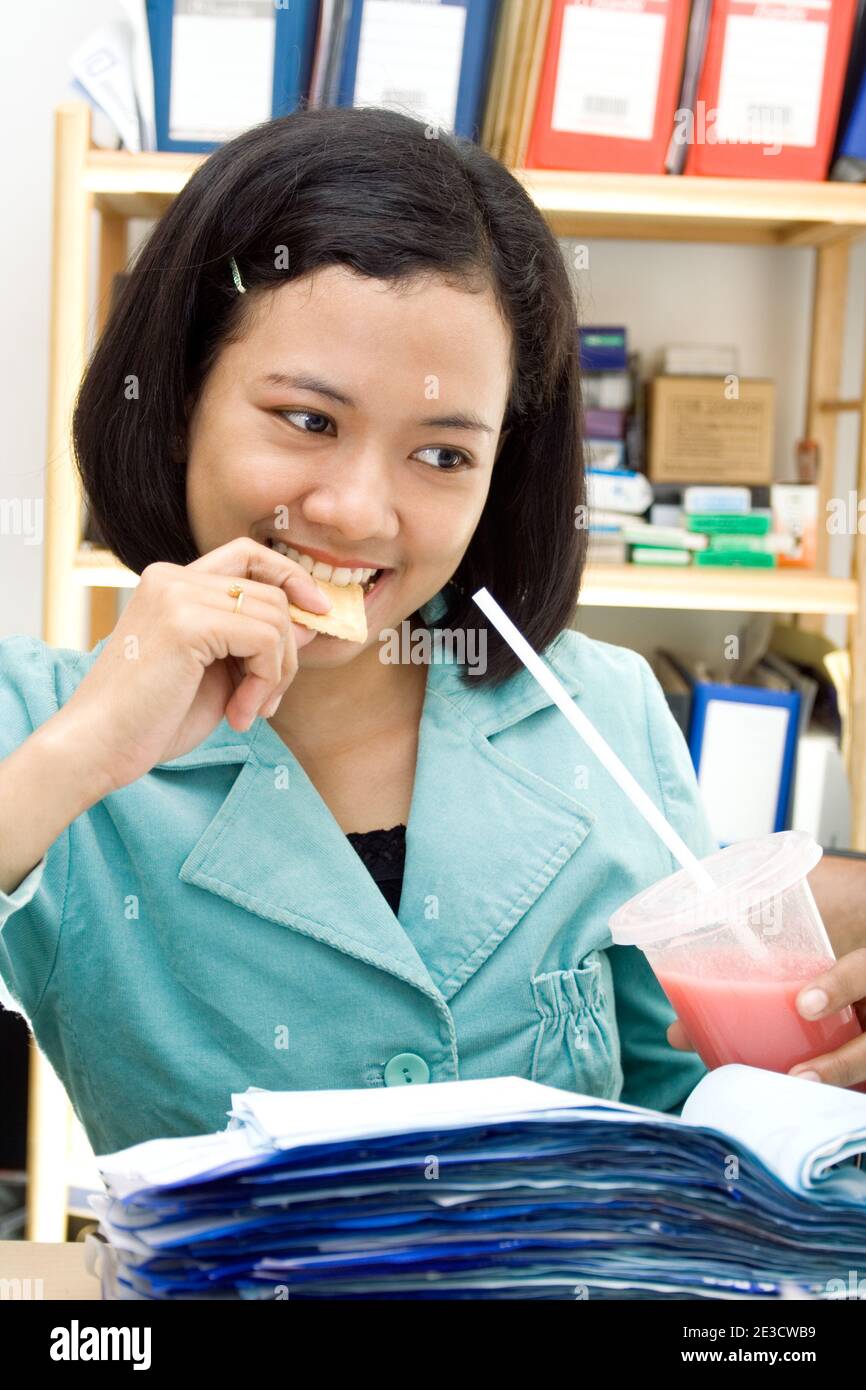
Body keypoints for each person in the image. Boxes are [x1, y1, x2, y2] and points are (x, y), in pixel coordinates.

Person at [1, 106, 863, 1159]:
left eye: (443, 455)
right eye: (307, 420)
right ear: (180, 403)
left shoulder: (599, 711)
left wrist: (815, 1080)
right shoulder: (41, 727)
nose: (359, 511)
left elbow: (696, 1113)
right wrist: (80, 755)